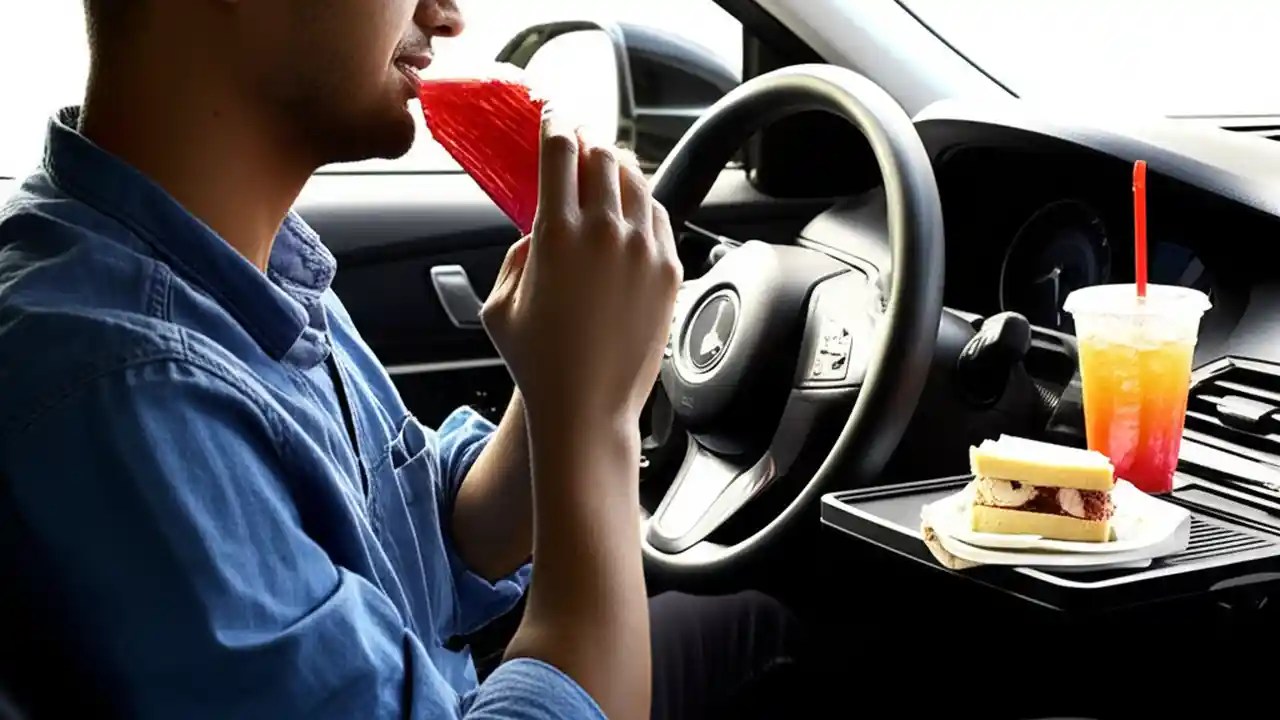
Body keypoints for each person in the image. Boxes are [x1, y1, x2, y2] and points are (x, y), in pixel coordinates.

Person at [0, 1, 806, 718]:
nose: (448, 14)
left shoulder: (242, 261)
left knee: (769, 618)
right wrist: (595, 421)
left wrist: (570, 355)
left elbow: (439, 530)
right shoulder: (128, 393)